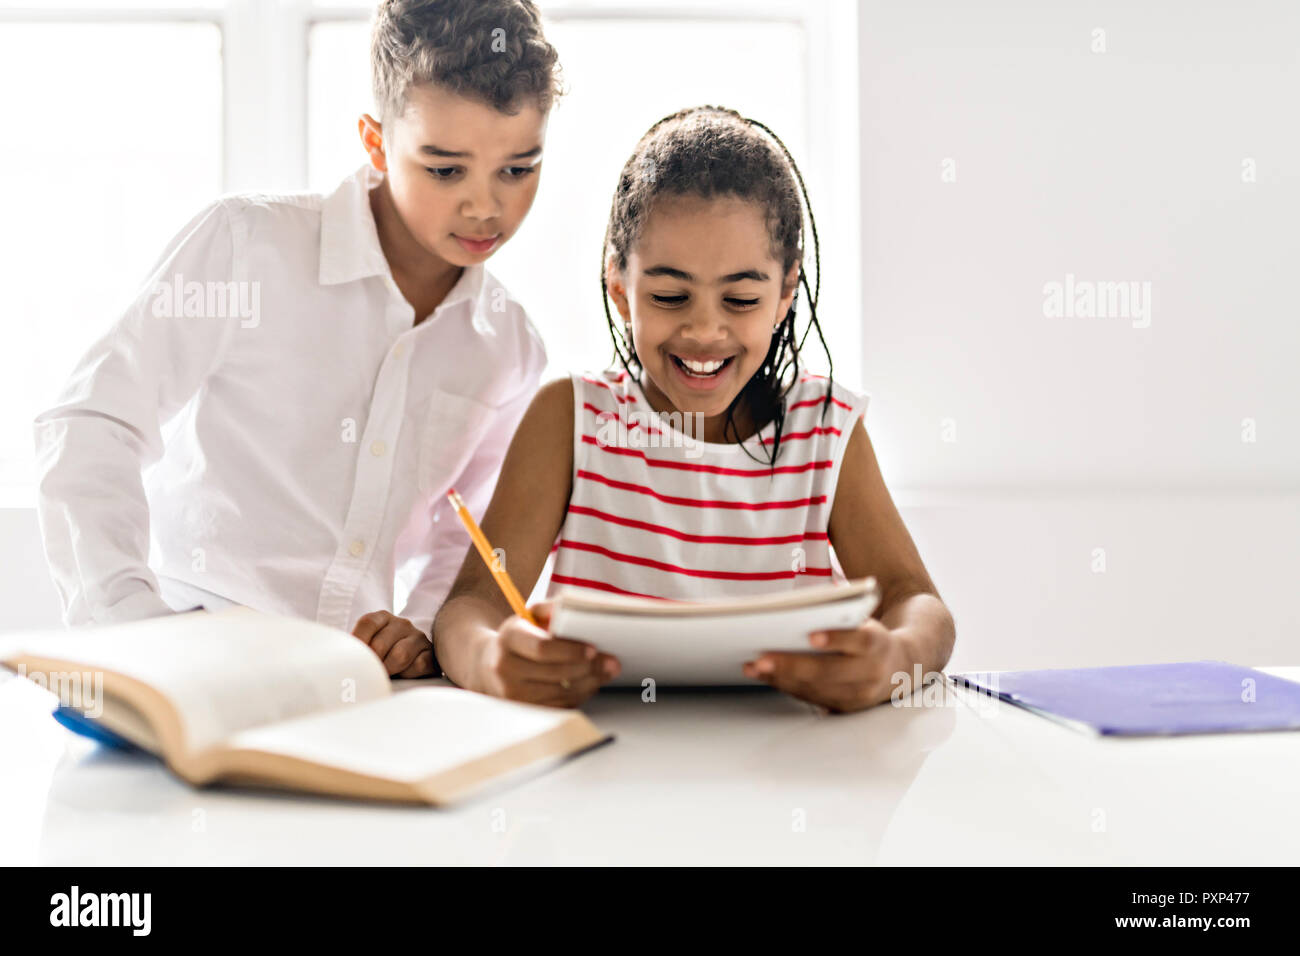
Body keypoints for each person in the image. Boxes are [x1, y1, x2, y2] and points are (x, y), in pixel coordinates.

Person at [33, 0, 560, 678]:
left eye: (518, 168)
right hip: (190, 668)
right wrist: (133, 629)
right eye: (445, 168)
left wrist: (423, 634)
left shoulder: (511, 349)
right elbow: (90, 422)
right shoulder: (247, 249)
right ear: (376, 141)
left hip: (356, 691)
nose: (486, 206)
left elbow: (466, 537)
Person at [430, 106, 956, 712]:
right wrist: (492, 661)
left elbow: (918, 602)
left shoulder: (826, 431)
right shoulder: (573, 419)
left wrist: (894, 658)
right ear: (620, 290)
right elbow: (471, 607)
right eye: (670, 295)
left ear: (785, 295)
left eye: (740, 298)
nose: (705, 331)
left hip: (796, 776)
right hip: (604, 773)